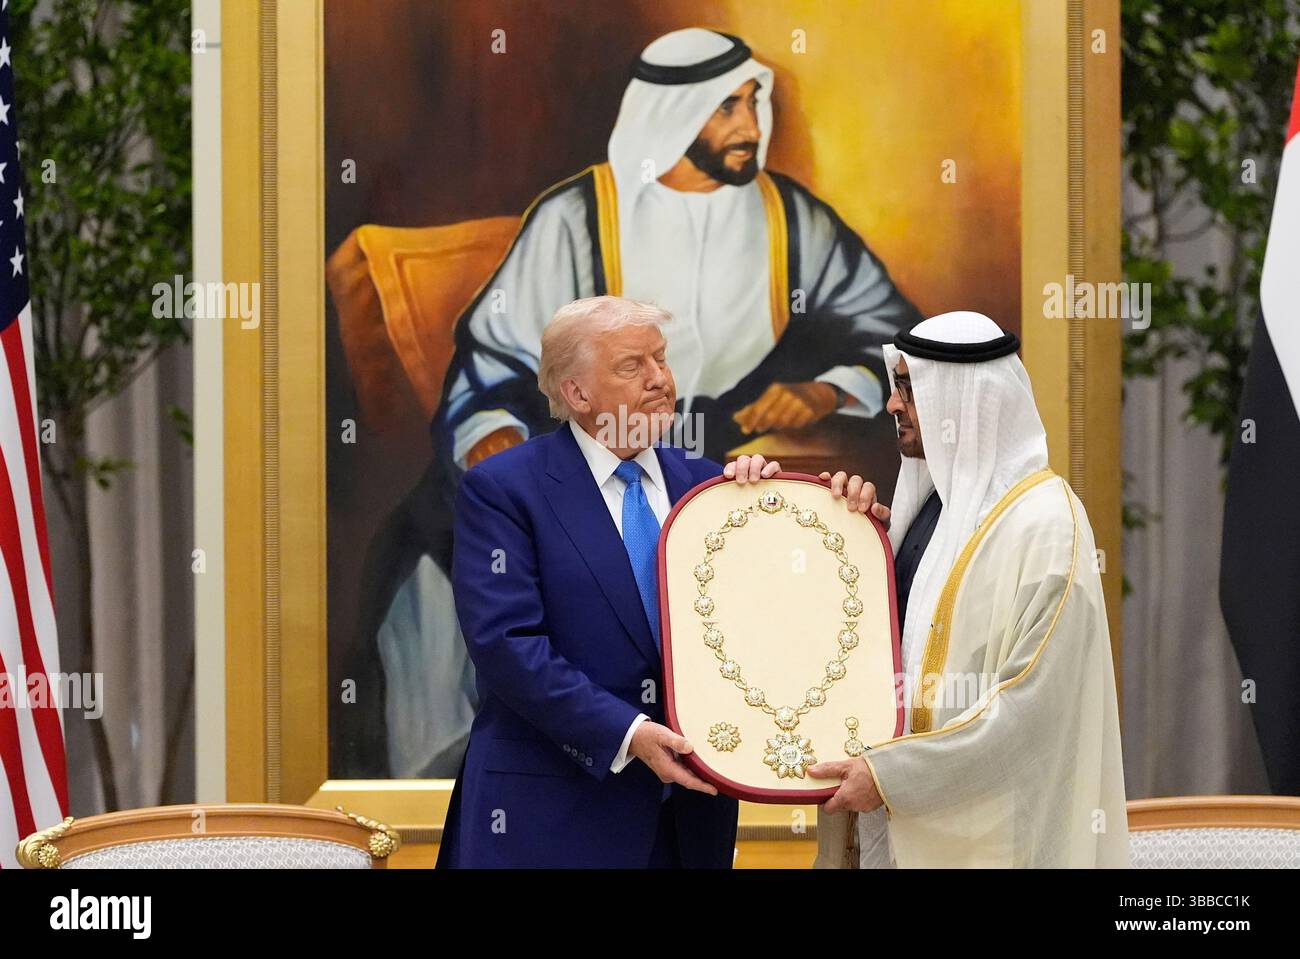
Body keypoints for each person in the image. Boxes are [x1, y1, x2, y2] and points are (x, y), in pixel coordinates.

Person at [344, 26, 921, 781]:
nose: (750, 127)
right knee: (429, 544)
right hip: (556, 456)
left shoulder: (790, 219)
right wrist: (498, 449)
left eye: (753, 103)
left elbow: (895, 337)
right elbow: (490, 360)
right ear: (674, 117)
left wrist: (826, 389)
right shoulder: (578, 216)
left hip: (713, 456)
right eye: (726, 110)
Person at [436, 296, 782, 868]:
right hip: (548, 818)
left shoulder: (711, 487)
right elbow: (508, 646)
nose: (660, 380)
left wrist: (810, 513)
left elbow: (767, 622)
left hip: (689, 823)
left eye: (662, 359)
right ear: (576, 394)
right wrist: (630, 733)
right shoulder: (504, 489)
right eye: (632, 366)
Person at [774, 310, 1129, 868]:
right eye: (895, 388)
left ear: (968, 399)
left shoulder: (1045, 524)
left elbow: (1032, 706)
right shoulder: (923, 513)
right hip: (885, 823)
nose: (892, 405)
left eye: (910, 390)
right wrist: (843, 539)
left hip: (988, 840)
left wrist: (893, 777)